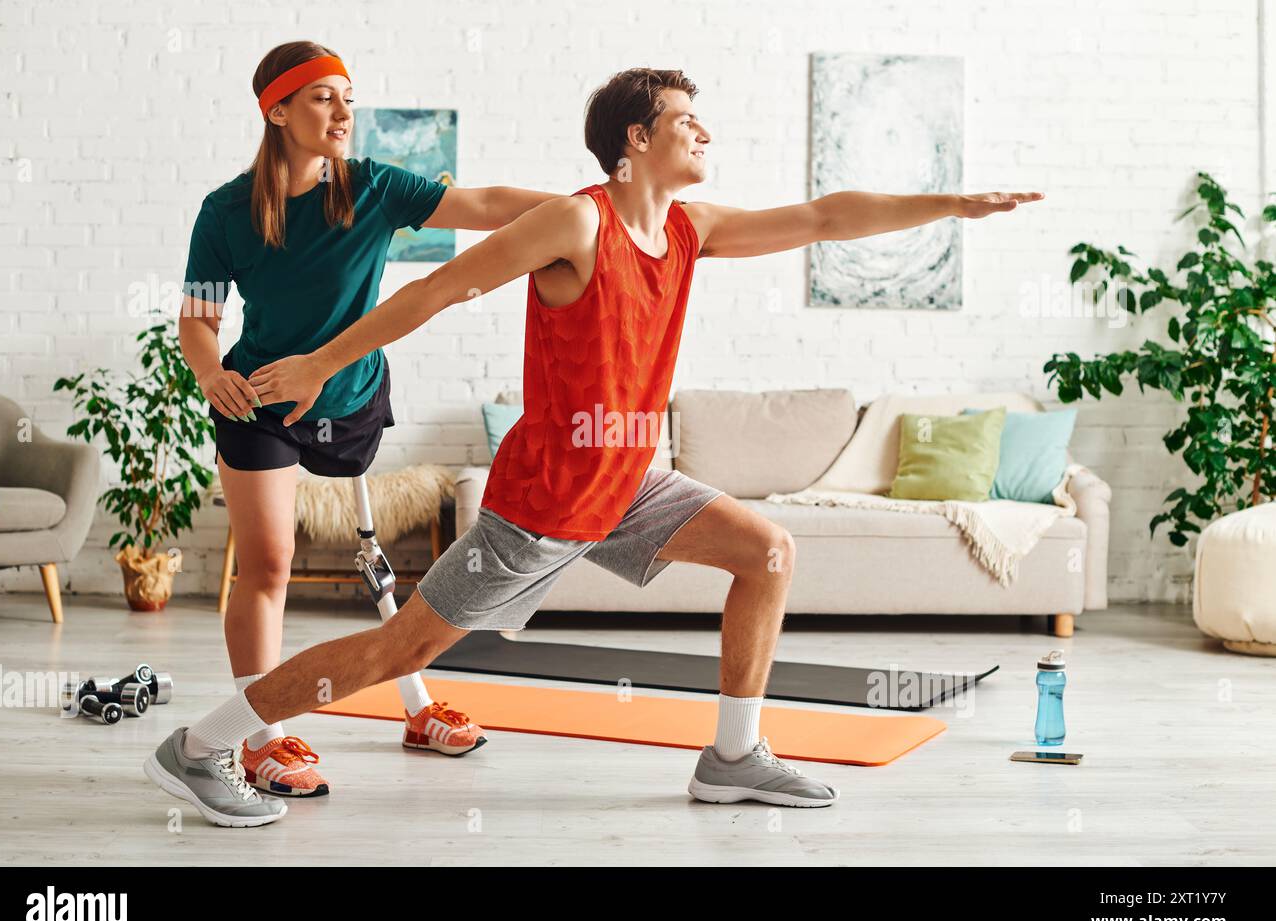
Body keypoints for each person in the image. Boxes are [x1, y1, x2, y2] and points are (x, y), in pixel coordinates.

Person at [150, 67, 1043, 826]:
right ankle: (199, 745)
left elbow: (819, 218)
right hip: (542, 502)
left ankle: (732, 757)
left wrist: (950, 205)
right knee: (401, 654)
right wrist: (321, 362)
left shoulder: (691, 230)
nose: (704, 131)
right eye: (686, 120)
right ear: (635, 139)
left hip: (631, 482)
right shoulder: (575, 224)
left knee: (768, 551)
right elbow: (444, 290)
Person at [180, 41, 561, 800]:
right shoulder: (225, 211)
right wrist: (211, 371)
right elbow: (196, 320)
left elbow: (483, 205)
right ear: (277, 110)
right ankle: (262, 738)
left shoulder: (375, 188)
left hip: (351, 397)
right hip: (259, 401)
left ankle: (417, 712)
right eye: (323, 97)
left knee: (371, 555)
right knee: (268, 566)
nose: (343, 112)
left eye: (348, 98)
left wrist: (588, 203)